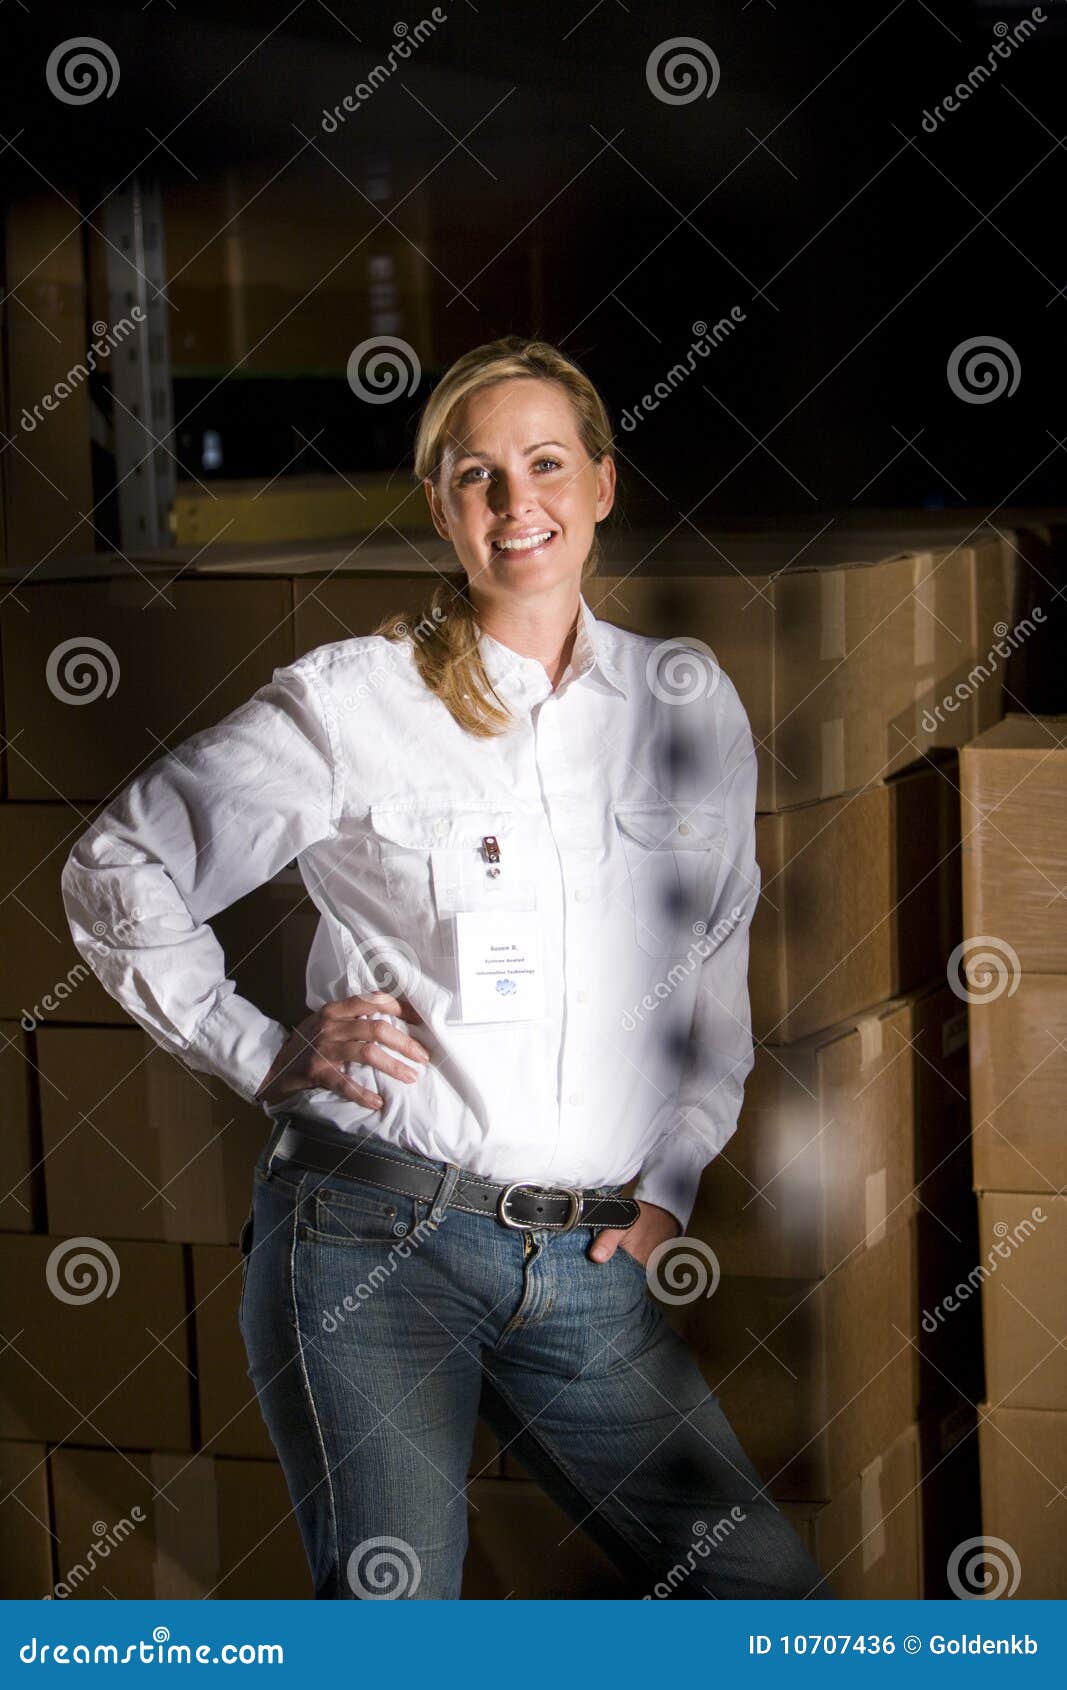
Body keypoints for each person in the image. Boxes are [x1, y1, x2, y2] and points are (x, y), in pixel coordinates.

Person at [61, 335, 829, 1601]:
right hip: (373, 1238)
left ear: (599, 483)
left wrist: (674, 1177)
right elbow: (117, 864)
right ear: (440, 507)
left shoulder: (686, 706)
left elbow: (713, 954)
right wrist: (259, 1049)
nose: (514, 502)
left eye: (543, 465)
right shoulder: (356, 702)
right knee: (398, 1626)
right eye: (477, 475)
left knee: (766, 1603)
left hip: (584, 1265)